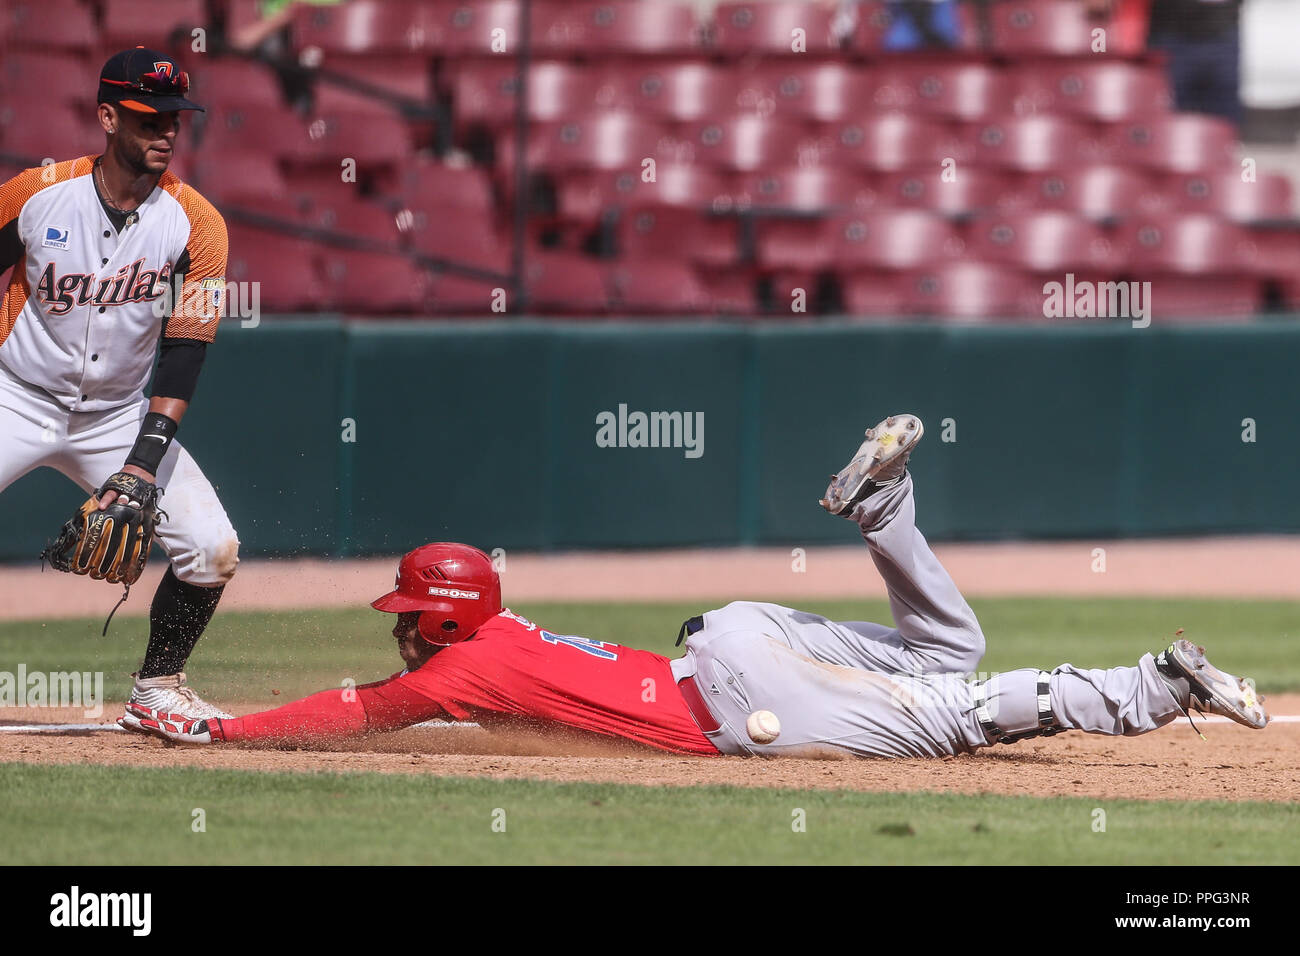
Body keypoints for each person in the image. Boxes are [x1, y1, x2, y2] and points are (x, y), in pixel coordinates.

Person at [126, 415, 1268, 756]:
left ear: (440, 615)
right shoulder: (504, 630)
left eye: (411, 617)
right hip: (727, 637)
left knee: (955, 718)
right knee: (948, 652)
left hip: (744, 699)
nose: (406, 639)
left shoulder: (467, 663)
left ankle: (1155, 683)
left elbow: (351, 711)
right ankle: (881, 512)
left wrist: (226, 725)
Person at [0, 49, 238, 730]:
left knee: (212, 548)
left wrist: (142, 460)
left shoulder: (199, 225)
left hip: (115, 417)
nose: (166, 130)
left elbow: (186, 348)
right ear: (107, 117)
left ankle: (157, 687)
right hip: (15, 395)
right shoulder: (36, 194)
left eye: (175, 118)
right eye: (148, 117)